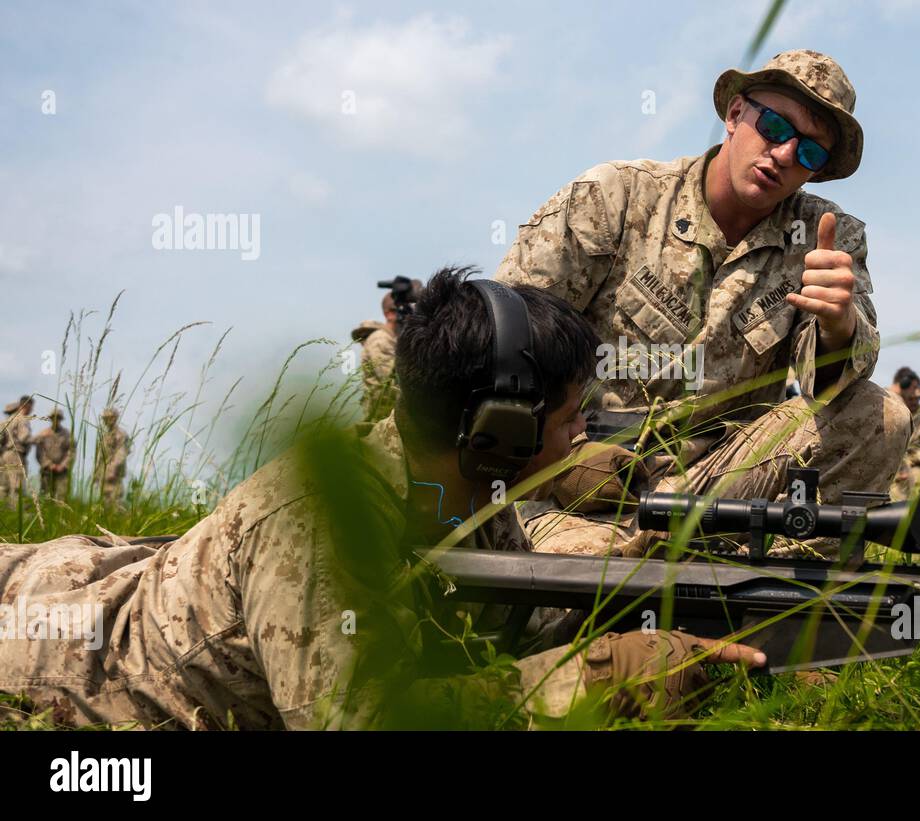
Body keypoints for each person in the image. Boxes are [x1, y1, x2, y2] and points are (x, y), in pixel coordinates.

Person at [0, 268, 761, 730]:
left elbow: (499, 637)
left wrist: (661, 607)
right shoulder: (312, 519)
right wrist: (607, 674)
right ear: (497, 428)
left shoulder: (469, 491)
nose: (580, 439)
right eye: (569, 419)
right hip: (49, 641)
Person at [495, 49, 911, 557]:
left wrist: (839, 327)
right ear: (735, 114)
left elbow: (830, 387)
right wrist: (565, 460)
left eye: (809, 153)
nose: (783, 155)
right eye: (776, 127)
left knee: (879, 414)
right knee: (590, 601)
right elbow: (505, 344)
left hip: (718, 494)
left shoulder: (825, 239)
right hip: (570, 497)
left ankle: (792, 605)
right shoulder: (616, 198)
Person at [351, 283, 419, 425]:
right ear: (389, 314)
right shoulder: (381, 340)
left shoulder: (393, 338)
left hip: (392, 414)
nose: (409, 314)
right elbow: (393, 380)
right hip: (381, 418)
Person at [888, 367, 920, 501]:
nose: (914, 401)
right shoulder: (891, 407)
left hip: (918, 476)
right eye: (910, 398)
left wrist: (905, 462)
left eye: (917, 398)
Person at [34, 406, 75, 502]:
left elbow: (71, 452)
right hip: (47, 471)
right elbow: (39, 452)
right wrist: (49, 465)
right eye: (54, 418)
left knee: (62, 497)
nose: (56, 420)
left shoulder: (67, 434)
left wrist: (62, 465)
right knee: (46, 496)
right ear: (51, 419)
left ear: (61, 419)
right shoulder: (43, 434)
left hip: (62, 472)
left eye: (58, 418)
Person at [0, 396, 34, 509]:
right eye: (31, 406)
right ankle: (16, 511)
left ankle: (4, 511)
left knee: (4, 485)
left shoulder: (6, 421)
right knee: (16, 485)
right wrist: (38, 439)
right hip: (16, 454)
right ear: (26, 405)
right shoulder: (22, 419)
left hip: (4, 455)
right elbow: (24, 437)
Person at [93, 407, 129, 508]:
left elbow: (120, 454)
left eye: (108, 418)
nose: (105, 421)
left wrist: (111, 470)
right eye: (104, 419)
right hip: (103, 474)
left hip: (114, 475)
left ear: (114, 418)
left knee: (115, 502)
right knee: (105, 503)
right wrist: (97, 474)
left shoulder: (120, 434)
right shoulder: (105, 436)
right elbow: (101, 457)